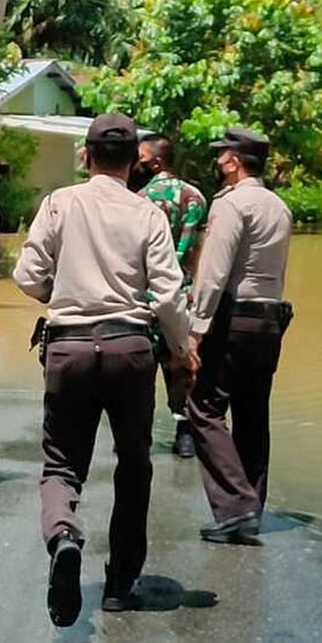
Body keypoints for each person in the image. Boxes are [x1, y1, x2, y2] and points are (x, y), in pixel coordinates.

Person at [14, 113, 197, 627]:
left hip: (68, 346)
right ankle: (119, 586)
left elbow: (26, 275)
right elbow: (167, 294)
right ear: (133, 162)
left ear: (86, 157)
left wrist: (65, 298)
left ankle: (64, 535)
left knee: (61, 464)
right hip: (130, 348)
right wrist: (182, 348)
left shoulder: (59, 203)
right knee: (134, 463)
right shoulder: (147, 214)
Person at [186, 127, 292, 545]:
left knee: (203, 408)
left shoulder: (232, 205)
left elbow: (213, 274)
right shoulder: (278, 206)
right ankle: (251, 506)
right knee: (253, 413)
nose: (217, 162)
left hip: (233, 317)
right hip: (269, 317)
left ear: (234, 161)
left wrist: (196, 329)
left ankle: (234, 506)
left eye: (222, 156)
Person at [132, 133, 208, 458]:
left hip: (145, 296)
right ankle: (185, 435)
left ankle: (139, 436)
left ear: (156, 161)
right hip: (183, 294)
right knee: (183, 367)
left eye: (142, 157)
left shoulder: (136, 200)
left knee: (143, 369)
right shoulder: (196, 198)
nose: (138, 163)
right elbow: (196, 253)